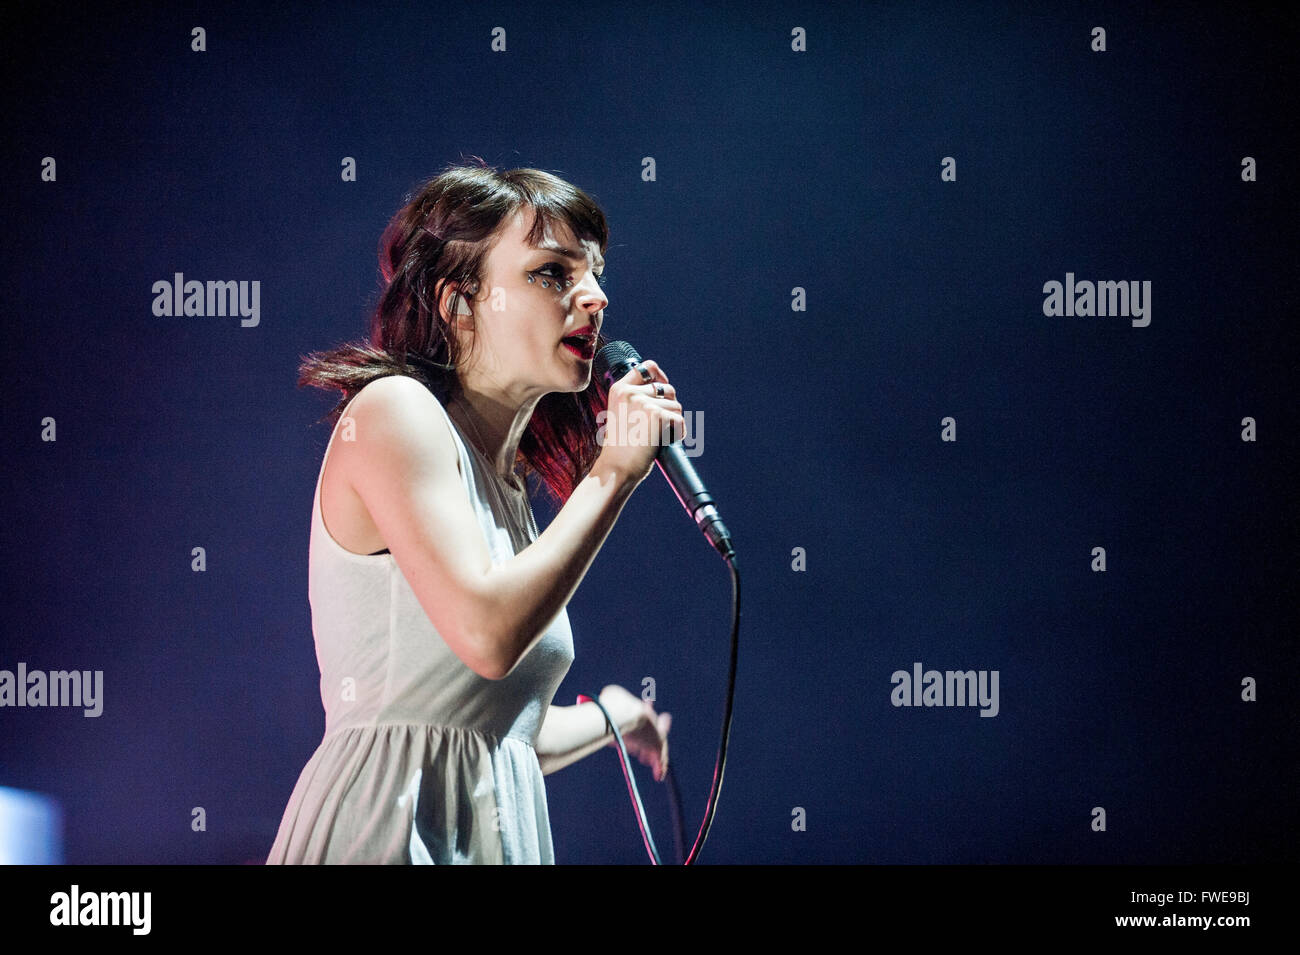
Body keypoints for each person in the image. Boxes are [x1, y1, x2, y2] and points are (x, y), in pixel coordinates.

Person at [265, 161, 678, 864]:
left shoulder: (506, 487)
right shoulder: (395, 411)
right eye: (553, 273)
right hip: (383, 837)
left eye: (596, 273)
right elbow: (487, 636)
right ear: (460, 302)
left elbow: (496, 730)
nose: (596, 297)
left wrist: (617, 714)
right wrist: (613, 472)